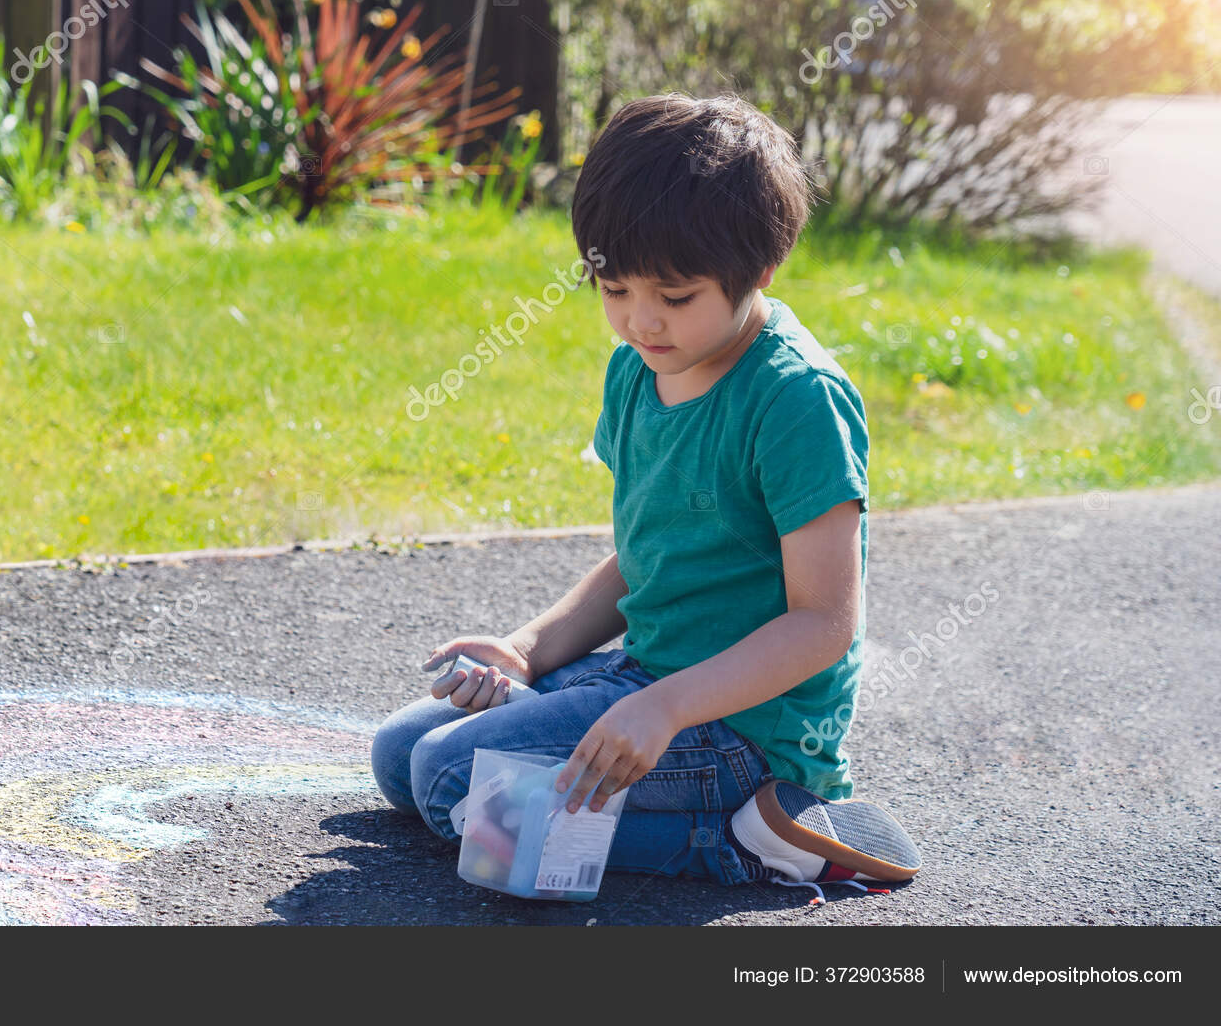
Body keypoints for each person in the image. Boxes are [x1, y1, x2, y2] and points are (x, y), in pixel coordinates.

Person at [370, 93, 920, 902]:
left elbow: (823, 624)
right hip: (650, 679)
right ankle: (624, 795)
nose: (640, 321)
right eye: (613, 287)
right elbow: (645, 557)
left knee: (452, 780)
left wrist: (663, 708)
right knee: (400, 754)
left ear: (759, 271)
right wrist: (527, 651)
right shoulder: (639, 369)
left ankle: (753, 841)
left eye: (674, 295)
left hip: (748, 731)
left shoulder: (797, 400)